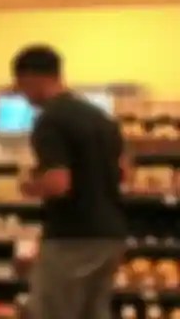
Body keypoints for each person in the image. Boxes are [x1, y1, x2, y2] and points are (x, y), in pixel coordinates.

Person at [12, 45, 128, 319]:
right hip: (110, 236)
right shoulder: (100, 118)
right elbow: (123, 172)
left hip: (72, 239)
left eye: (21, 87)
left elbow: (58, 183)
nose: (23, 95)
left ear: (32, 79)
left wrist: (29, 186)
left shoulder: (50, 120)